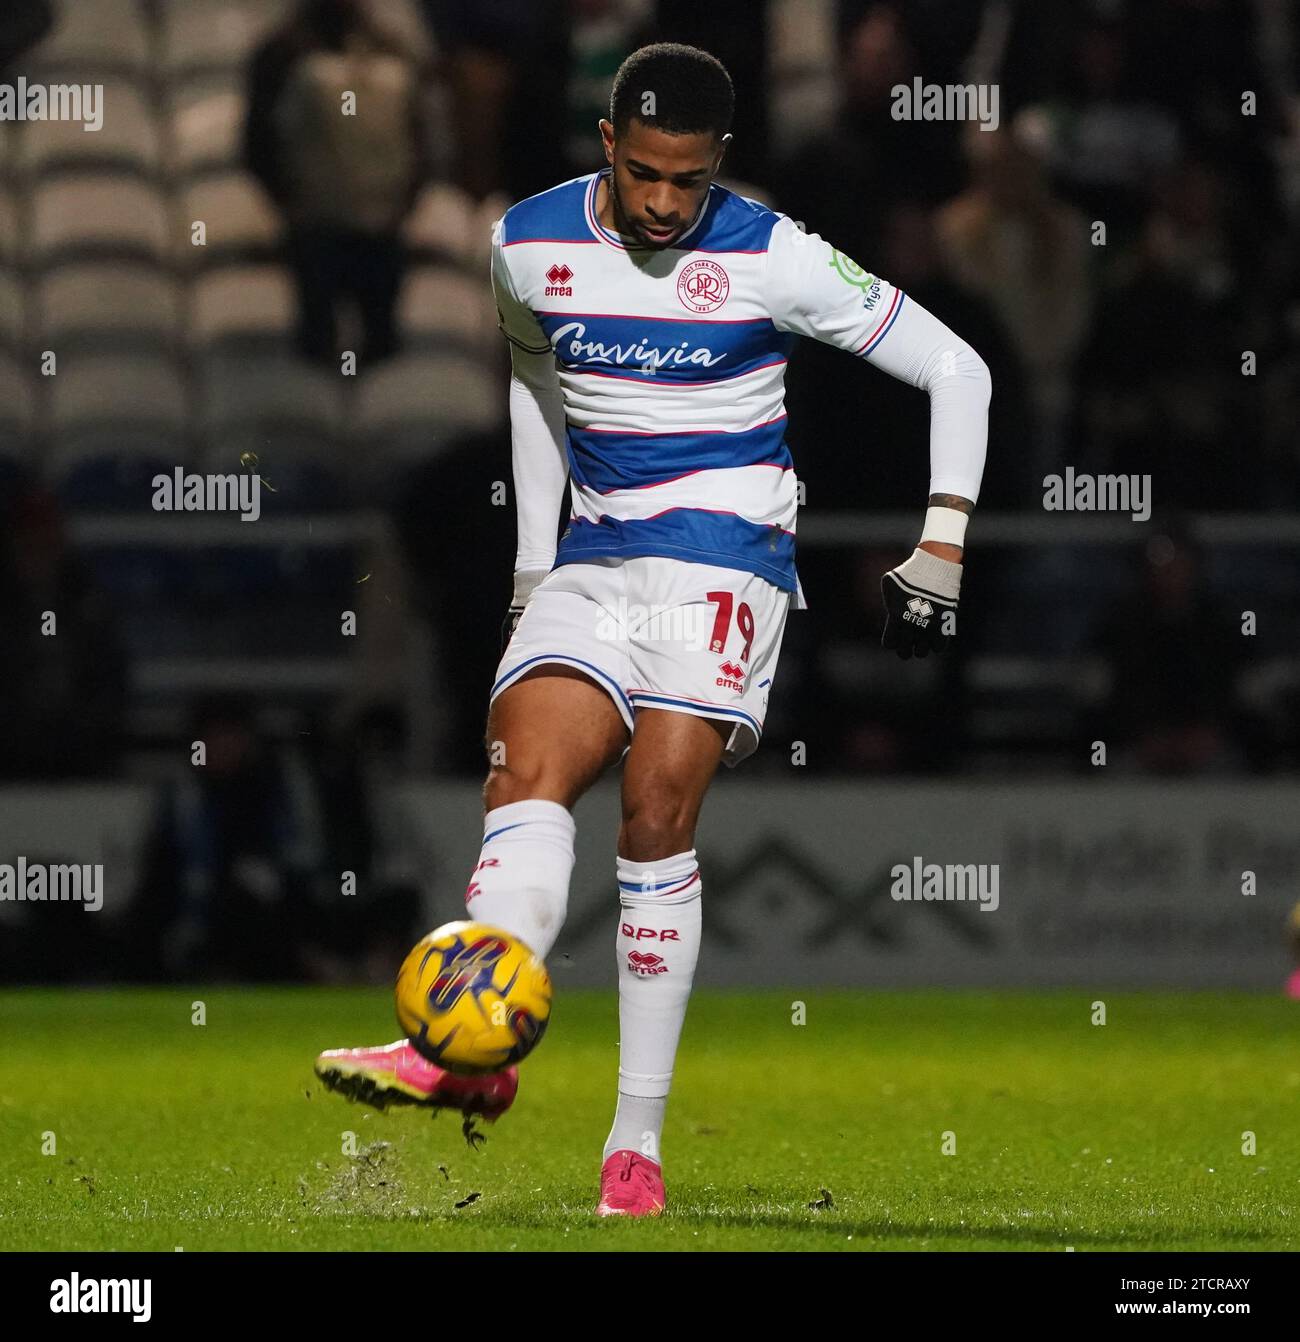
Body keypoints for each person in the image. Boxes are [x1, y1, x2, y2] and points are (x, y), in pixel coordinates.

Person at [314, 42, 990, 1217]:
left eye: (691, 180)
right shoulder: (526, 244)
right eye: (647, 178)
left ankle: (634, 1145)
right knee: (524, 774)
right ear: (609, 149)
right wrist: (534, 572)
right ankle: (470, 1053)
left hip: (726, 563)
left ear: (717, 163)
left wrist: (940, 542)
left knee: (654, 812)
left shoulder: (772, 253)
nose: (668, 203)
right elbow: (532, 390)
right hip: (596, 561)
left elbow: (957, 368)